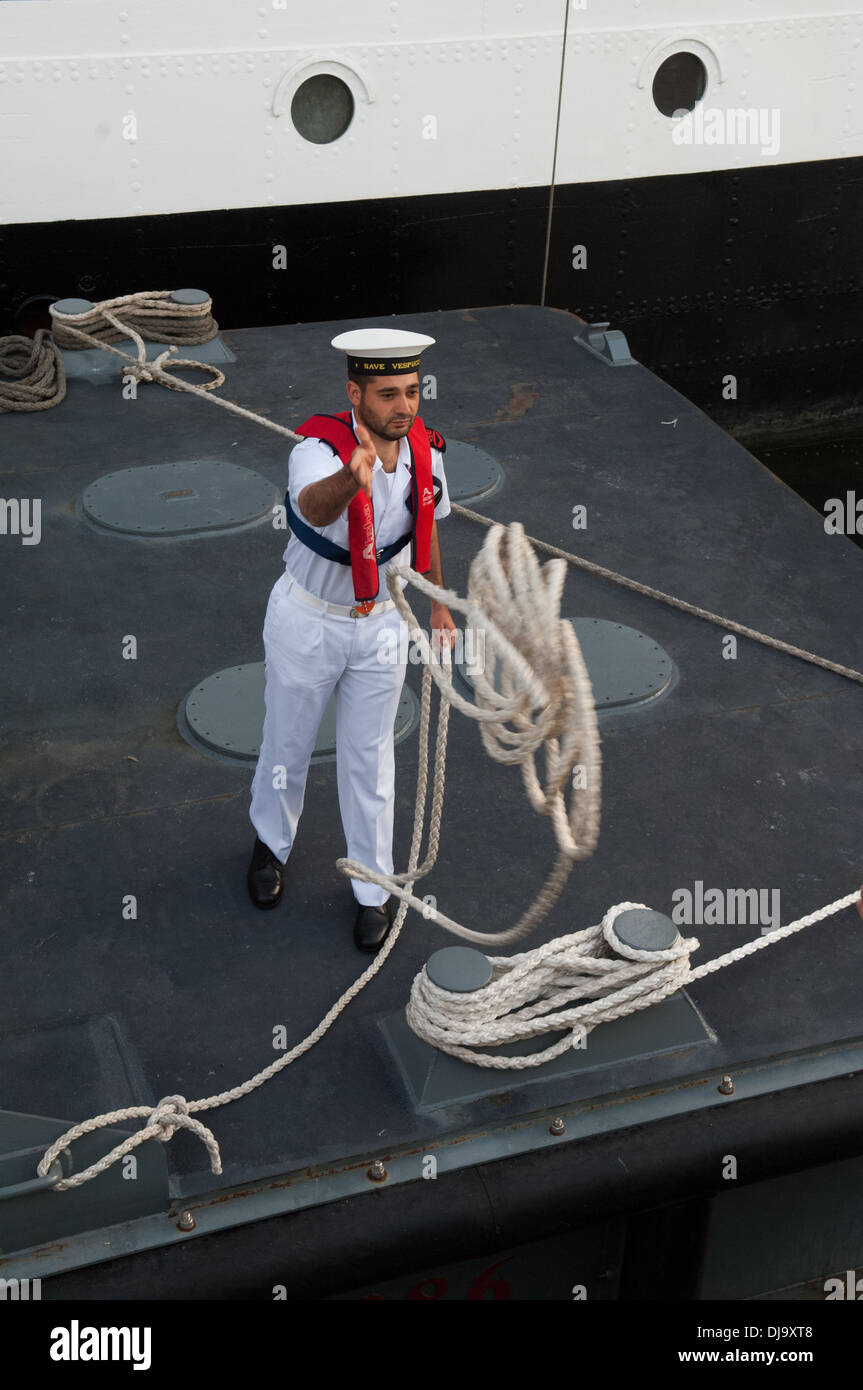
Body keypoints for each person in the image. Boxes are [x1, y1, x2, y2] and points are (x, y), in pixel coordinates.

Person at [247, 329, 457, 953]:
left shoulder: (426, 451)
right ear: (354, 393)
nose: (404, 406)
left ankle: (372, 886)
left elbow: (428, 527)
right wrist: (353, 476)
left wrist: (440, 607)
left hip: (383, 624)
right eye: (388, 393)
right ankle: (269, 846)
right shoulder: (316, 450)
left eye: (413, 392)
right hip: (308, 620)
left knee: (370, 757)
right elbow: (312, 507)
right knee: (288, 742)